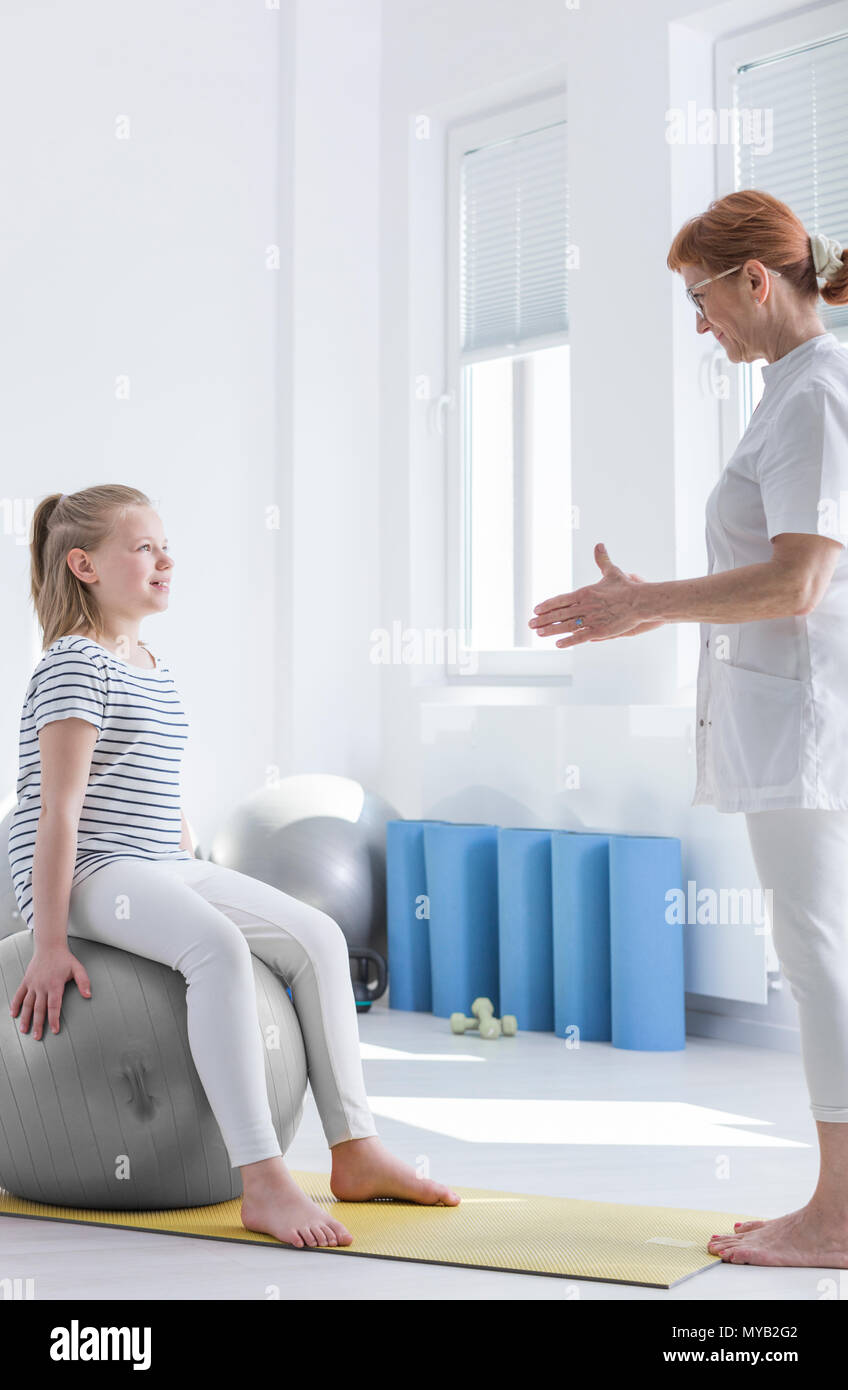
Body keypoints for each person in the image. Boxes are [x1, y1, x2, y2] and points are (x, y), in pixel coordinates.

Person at [7, 483, 460, 1249]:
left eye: (165, 544)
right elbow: (57, 810)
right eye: (144, 547)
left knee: (317, 935)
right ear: (83, 565)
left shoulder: (149, 660)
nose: (166, 559)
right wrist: (50, 943)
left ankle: (355, 1148)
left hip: (154, 859)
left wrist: (181, 842)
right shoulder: (74, 665)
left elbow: (140, 772)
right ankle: (264, 1180)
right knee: (215, 948)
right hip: (87, 869)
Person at [529, 190, 848, 1269]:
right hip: (795, 714)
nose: (697, 323)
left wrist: (645, 602)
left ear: (755, 279)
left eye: (700, 298)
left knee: (816, 955)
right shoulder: (792, 390)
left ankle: (837, 1216)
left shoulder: (813, 393)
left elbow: (799, 582)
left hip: (808, 718)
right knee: (820, 952)